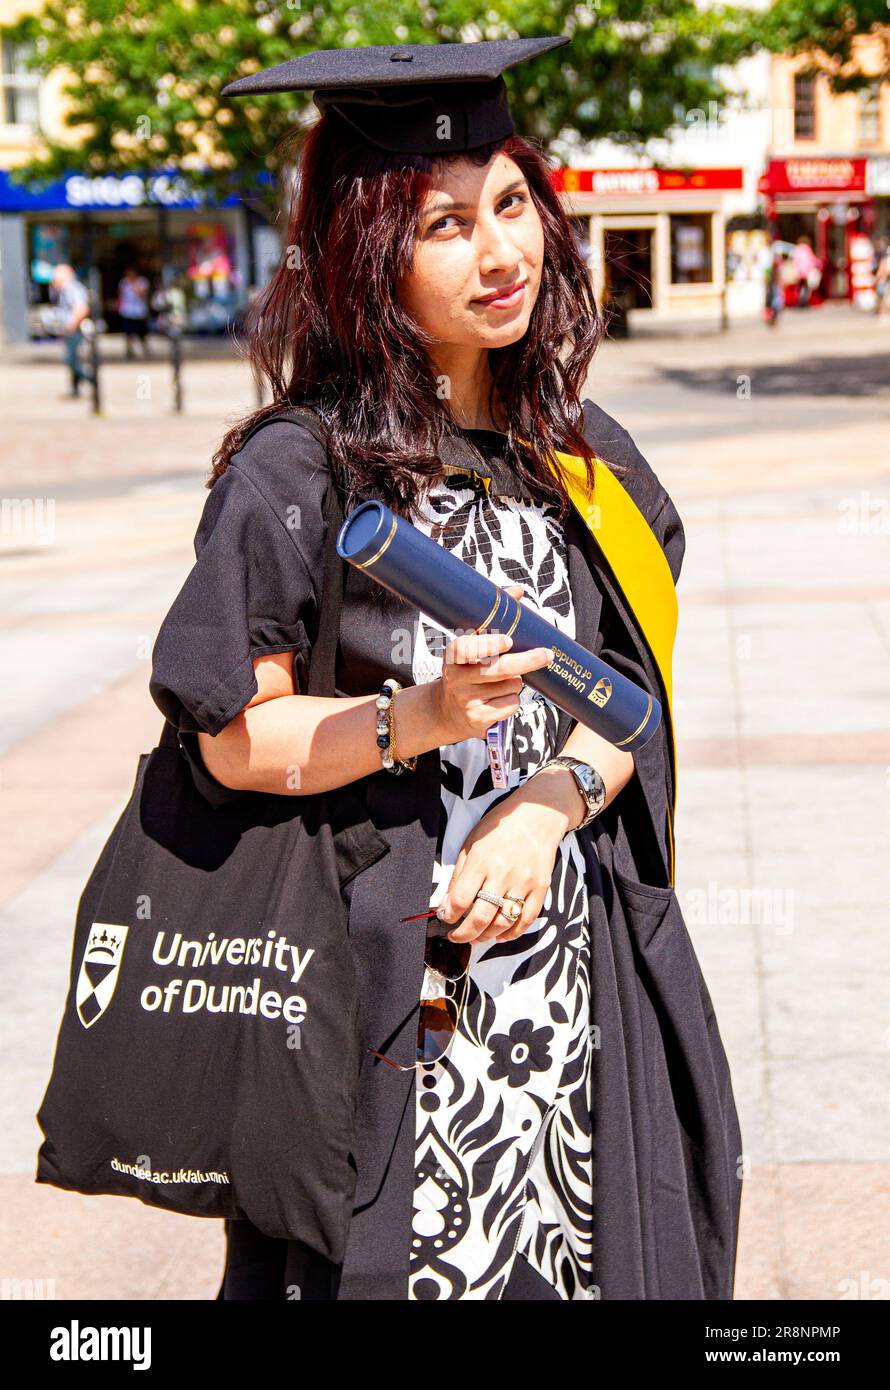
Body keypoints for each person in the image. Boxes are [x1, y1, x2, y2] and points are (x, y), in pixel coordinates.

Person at [149, 36, 743, 1301]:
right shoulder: (298, 472)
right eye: (445, 224)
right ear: (369, 255)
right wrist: (414, 714)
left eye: (512, 205)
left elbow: (624, 709)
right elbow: (231, 737)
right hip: (380, 1007)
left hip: (570, 993)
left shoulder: (582, 459)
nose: (501, 253)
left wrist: (544, 807)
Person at [50, 263, 96, 398]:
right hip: (72, 328)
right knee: (74, 358)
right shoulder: (65, 289)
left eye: (57, 276)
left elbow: (82, 308)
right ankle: (75, 389)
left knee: (70, 359)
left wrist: (72, 325)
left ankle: (92, 379)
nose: (54, 280)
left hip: (76, 329)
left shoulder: (72, 288)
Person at [116, 265, 152, 358]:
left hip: (139, 312)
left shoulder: (142, 281)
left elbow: (142, 294)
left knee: (142, 333)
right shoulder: (123, 282)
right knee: (128, 333)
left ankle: (145, 350)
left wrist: (134, 285)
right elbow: (121, 295)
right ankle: (129, 351)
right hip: (127, 311)